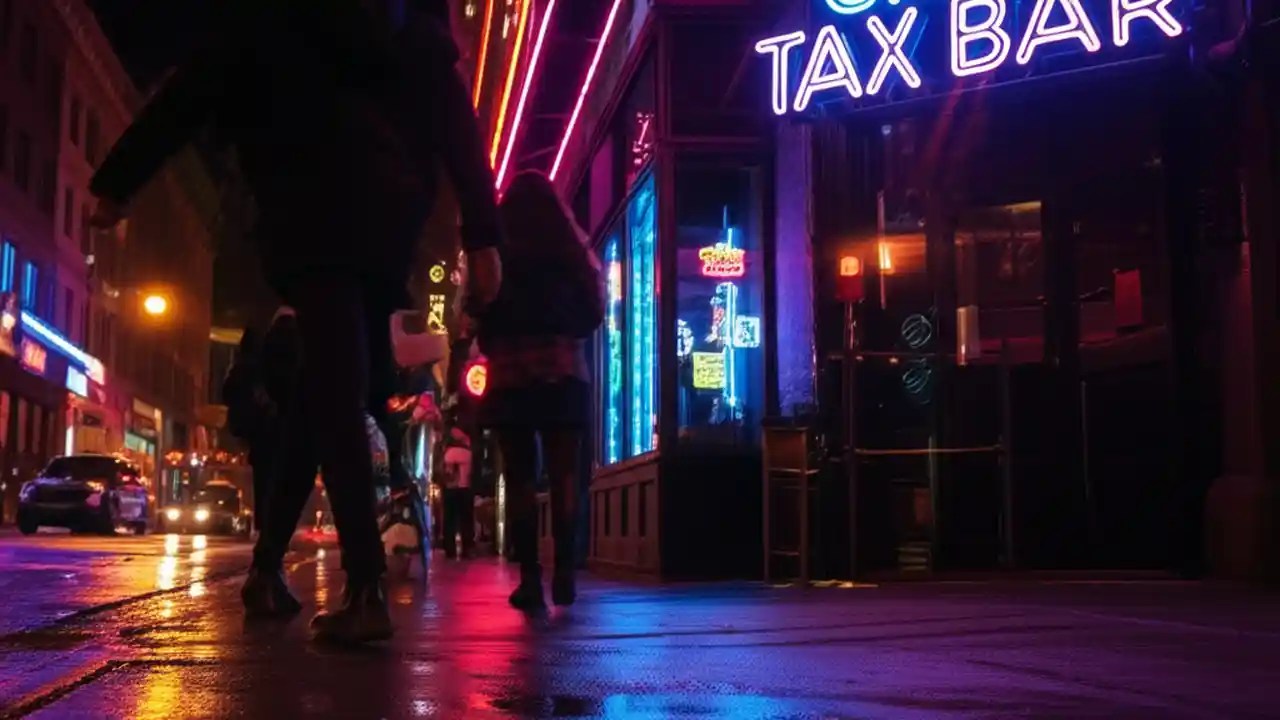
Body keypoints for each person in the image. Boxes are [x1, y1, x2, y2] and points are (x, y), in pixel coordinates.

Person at [89, 1, 501, 643]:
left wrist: (116, 182)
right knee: (325, 387)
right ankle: (268, 570)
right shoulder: (408, 23)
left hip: (305, 206)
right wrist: (481, 232)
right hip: (385, 215)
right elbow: (453, 117)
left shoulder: (269, 17)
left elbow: (193, 89)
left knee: (328, 389)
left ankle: (363, 588)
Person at [478, 171, 604, 610]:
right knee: (566, 473)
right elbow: (595, 311)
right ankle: (565, 571)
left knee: (520, 479)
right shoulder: (570, 249)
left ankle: (529, 578)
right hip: (563, 369)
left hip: (511, 374)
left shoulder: (499, 250)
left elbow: (478, 310)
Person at [221, 328, 272, 534]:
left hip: (251, 428)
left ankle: (264, 523)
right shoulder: (264, 367)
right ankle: (268, 524)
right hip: (266, 426)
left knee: (262, 475)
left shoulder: (239, 368)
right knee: (269, 475)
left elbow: (226, 394)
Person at [440, 423, 475, 558]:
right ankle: (467, 547)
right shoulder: (468, 453)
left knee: (450, 519)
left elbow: (446, 472)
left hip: (450, 489)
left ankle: (450, 549)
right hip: (464, 488)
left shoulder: (448, 452)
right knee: (466, 519)